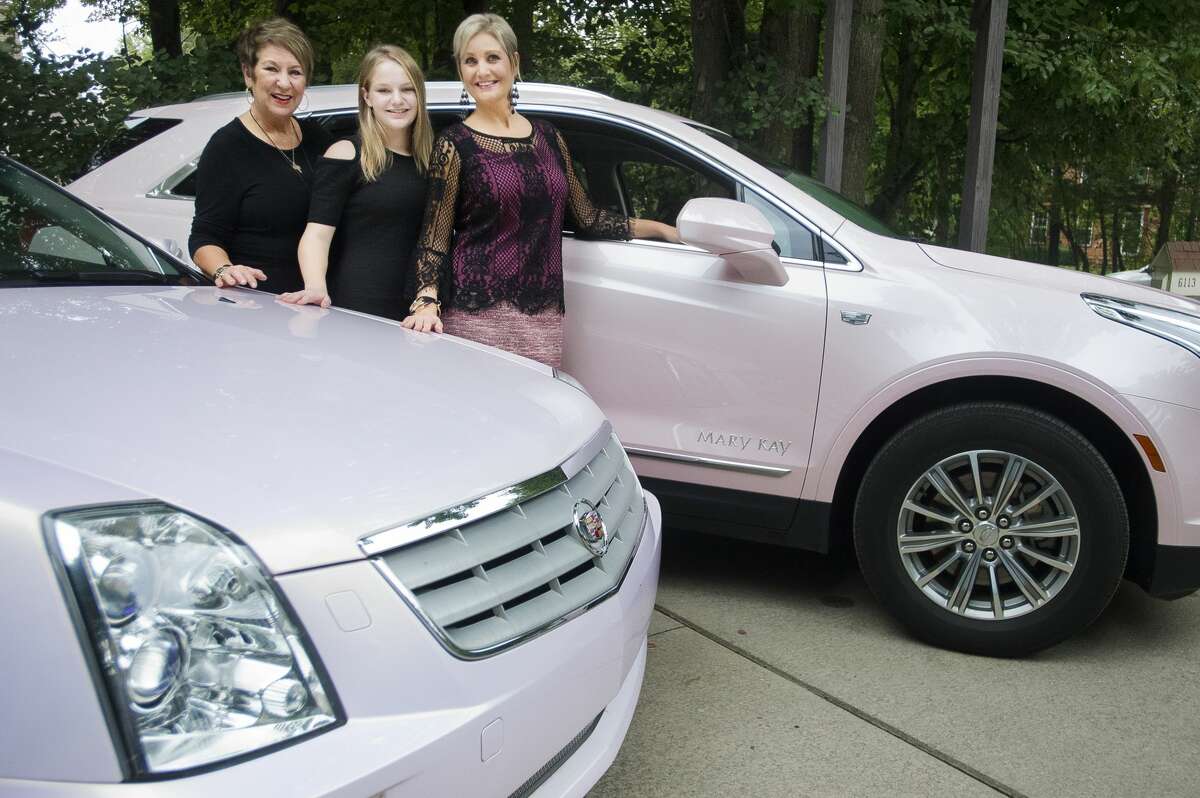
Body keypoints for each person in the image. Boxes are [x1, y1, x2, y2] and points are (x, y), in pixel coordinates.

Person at [401, 13, 679, 368]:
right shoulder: (455, 144)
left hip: (543, 318)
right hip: (477, 314)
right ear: (461, 71)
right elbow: (434, 238)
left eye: (492, 58)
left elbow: (588, 217)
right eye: (470, 61)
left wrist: (662, 230)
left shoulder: (548, 137)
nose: (482, 71)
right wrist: (426, 299)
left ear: (514, 63)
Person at [279, 46, 432, 318]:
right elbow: (317, 235)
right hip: (358, 308)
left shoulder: (434, 159)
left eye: (407, 89)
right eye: (384, 90)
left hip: (421, 313)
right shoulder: (347, 154)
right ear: (367, 96)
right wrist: (315, 286)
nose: (397, 100)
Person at [188, 18, 332, 294]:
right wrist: (225, 269)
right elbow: (204, 236)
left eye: (295, 72)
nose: (284, 83)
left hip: (320, 304)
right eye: (271, 69)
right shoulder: (227, 147)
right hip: (259, 305)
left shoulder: (319, 139)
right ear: (248, 74)